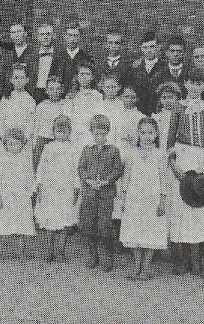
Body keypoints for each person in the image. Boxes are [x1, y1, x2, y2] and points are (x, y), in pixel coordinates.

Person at [166, 72, 204, 279]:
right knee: (184, 211)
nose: (194, 87)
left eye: (199, 84)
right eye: (191, 82)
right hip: (183, 158)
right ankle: (186, 260)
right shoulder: (178, 108)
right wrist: (174, 165)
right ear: (185, 83)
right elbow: (170, 141)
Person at [119, 116, 171, 280]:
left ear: (156, 134)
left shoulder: (160, 155)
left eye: (150, 133)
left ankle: (146, 267)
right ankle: (136, 265)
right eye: (143, 133)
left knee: (151, 231)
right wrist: (124, 196)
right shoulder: (131, 153)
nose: (146, 136)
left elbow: (164, 178)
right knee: (134, 230)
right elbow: (126, 176)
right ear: (138, 134)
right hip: (135, 197)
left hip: (152, 198)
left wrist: (163, 199)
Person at [77, 114, 124, 272]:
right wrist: (88, 180)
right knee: (88, 225)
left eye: (103, 134)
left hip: (106, 195)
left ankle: (106, 256)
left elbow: (118, 170)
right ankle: (93, 255)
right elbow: (81, 168)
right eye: (97, 133)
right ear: (92, 133)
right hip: (89, 193)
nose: (100, 137)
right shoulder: (86, 150)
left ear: (108, 133)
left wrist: (107, 181)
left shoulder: (113, 150)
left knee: (104, 226)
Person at [34, 115, 81, 263]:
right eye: (58, 131)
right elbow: (41, 167)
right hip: (50, 189)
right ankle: (49, 251)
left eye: (65, 131)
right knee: (49, 221)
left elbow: (76, 170)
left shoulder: (73, 149)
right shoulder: (48, 148)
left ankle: (60, 251)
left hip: (66, 189)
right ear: (53, 132)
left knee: (64, 222)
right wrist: (40, 185)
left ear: (70, 132)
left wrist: (76, 188)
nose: (61, 134)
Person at [0, 128, 36, 258]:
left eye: (16, 144)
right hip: (5, 194)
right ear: (5, 144)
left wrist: (29, 193)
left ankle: (20, 251)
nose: (13, 147)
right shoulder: (1, 159)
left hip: (21, 195)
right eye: (10, 144)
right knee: (1, 222)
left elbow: (30, 177)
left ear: (22, 144)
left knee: (22, 223)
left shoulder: (25, 159)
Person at [31, 75, 69, 167]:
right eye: (51, 89)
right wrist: (34, 143)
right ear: (46, 91)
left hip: (59, 139)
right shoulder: (42, 106)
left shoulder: (65, 105)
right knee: (40, 165)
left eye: (57, 89)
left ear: (62, 90)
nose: (54, 91)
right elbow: (36, 127)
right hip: (43, 139)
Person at [126, 32, 167, 115]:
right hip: (138, 112)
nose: (148, 50)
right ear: (141, 49)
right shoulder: (134, 68)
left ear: (158, 47)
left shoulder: (166, 67)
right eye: (145, 47)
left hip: (160, 112)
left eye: (152, 47)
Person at [0, 63, 36, 139]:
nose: (19, 81)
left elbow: (31, 123)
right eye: (16, 78)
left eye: (22, 78)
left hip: (22, 139)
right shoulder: (6, 99)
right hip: (6, 138)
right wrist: (3, 136)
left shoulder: (30, 101)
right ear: (11, 80)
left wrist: (25, 138)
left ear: (27, 80)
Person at [67, 63, 103, 146]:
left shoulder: (97, 95)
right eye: (82, 74)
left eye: (88, 74)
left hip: (90, 134)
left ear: (92, 77)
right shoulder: (72, 95)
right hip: (74, 133)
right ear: (77, 76)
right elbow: (68, 115)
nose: (84, 77)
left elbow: (98, 115)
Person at [30, 23, 66, 101]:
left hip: (54, 94)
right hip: (35, 93)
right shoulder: (32, 56)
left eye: (48, 34)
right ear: (38, 37)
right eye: (42, 34)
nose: (45, 37)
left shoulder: (61, 55)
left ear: (53, 36)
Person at [60, 22, 94, 89]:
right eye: (69, 35)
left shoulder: (87, 57)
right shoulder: (58, 57)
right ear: (65, 36)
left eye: (75, 36)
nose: (72, 39)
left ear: (80, 37)